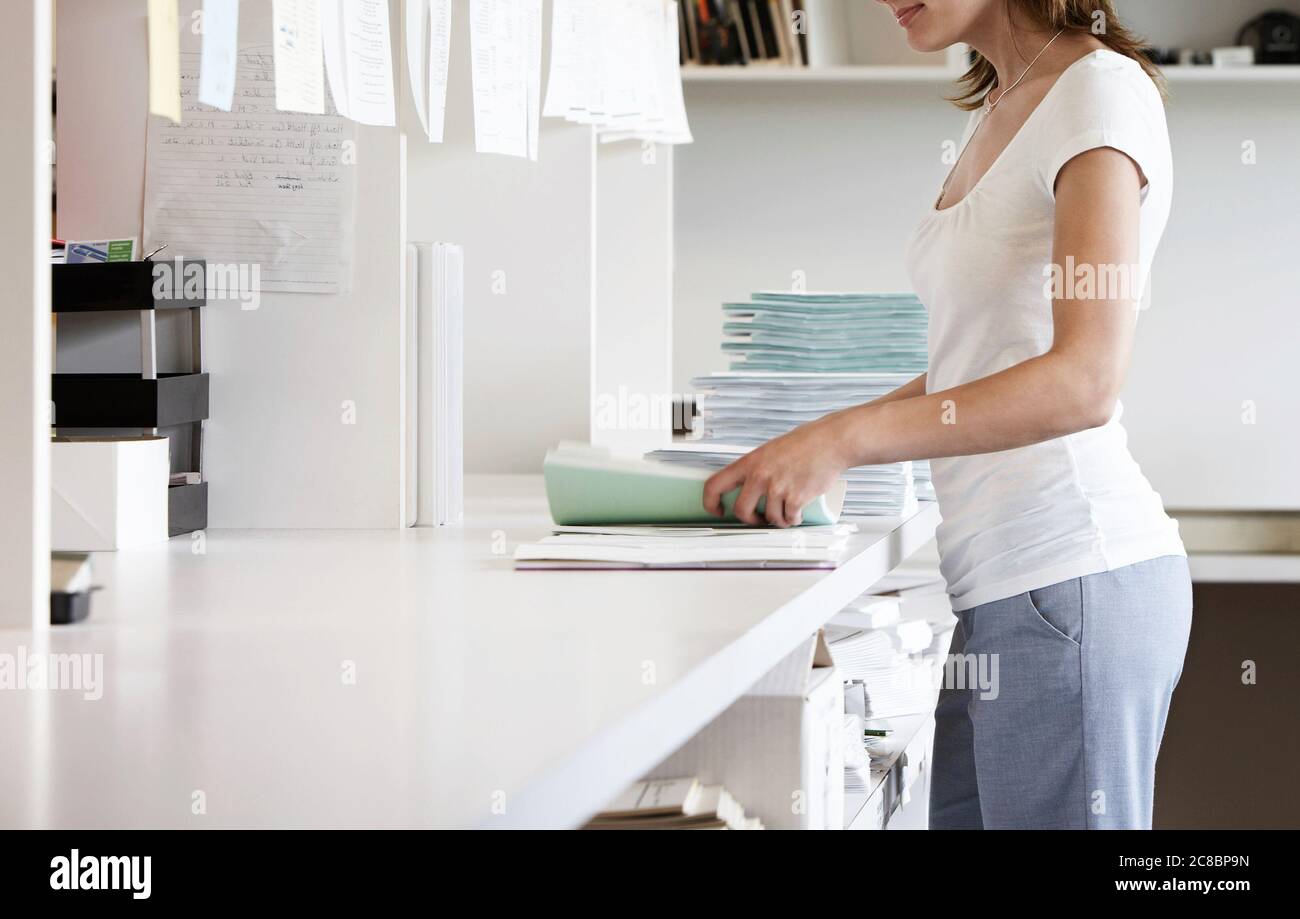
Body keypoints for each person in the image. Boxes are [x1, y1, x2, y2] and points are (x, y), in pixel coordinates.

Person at [702, 0, 1190, 829]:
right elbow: (982, 361)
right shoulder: (1012, 101)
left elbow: (1084, 378)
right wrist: (817, 441)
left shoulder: (1099, 94)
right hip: (1006, 590)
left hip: (1071, 573)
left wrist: (845, 439)